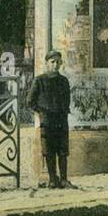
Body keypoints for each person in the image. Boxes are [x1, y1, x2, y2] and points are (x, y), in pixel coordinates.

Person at [27, 50, 73, 189]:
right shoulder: (40, 80)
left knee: (63, 151)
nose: (55, 65)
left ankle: (64, 179)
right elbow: (30, 101)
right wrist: (41, 112)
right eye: (52, 62)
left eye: (58, 62)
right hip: (47, 121)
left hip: (61, 120)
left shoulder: (63, 81)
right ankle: (53, 179)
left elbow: (67, 99)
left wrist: (63, 110)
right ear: (47, 64)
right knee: (49, 151)